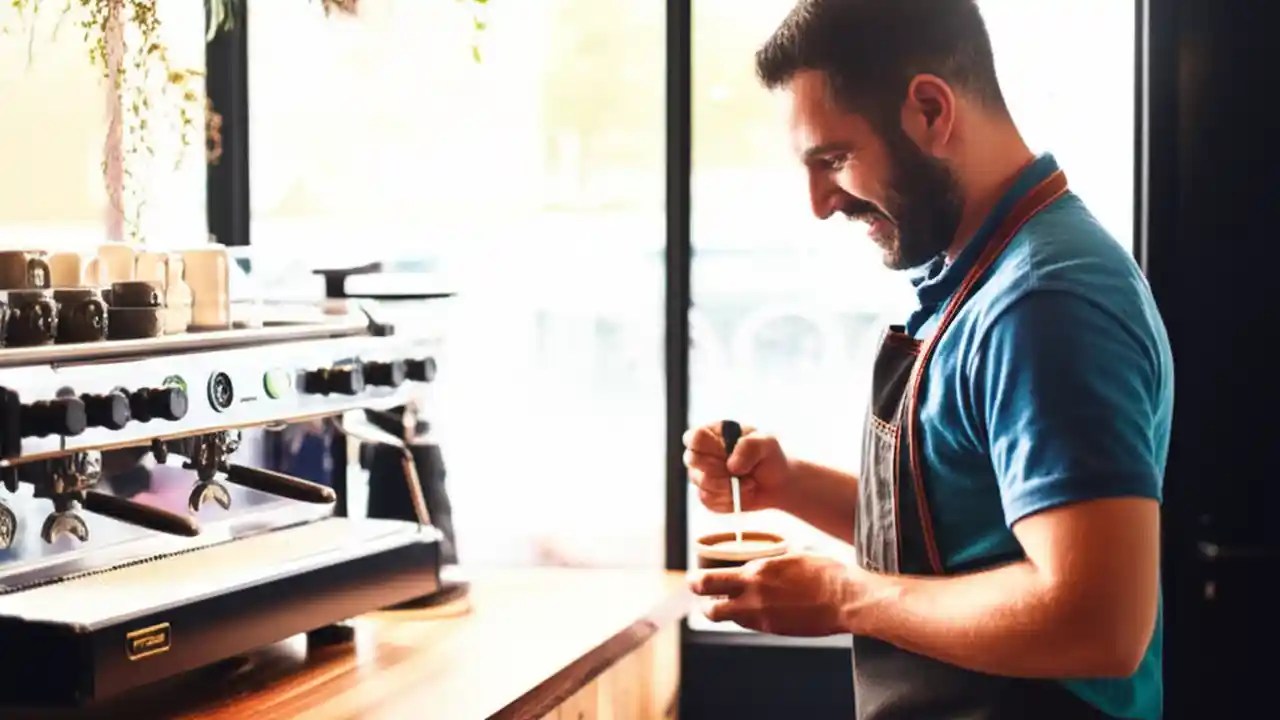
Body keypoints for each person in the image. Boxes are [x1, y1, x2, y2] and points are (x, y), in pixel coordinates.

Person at [681, 1, 1172, 718]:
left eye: (835, 158)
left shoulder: (1042, 301)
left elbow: (1097, 623)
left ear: (931, 111)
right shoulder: (980, 274)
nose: (820, 204)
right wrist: (788, 484)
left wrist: (843, 594)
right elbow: (963, 534)